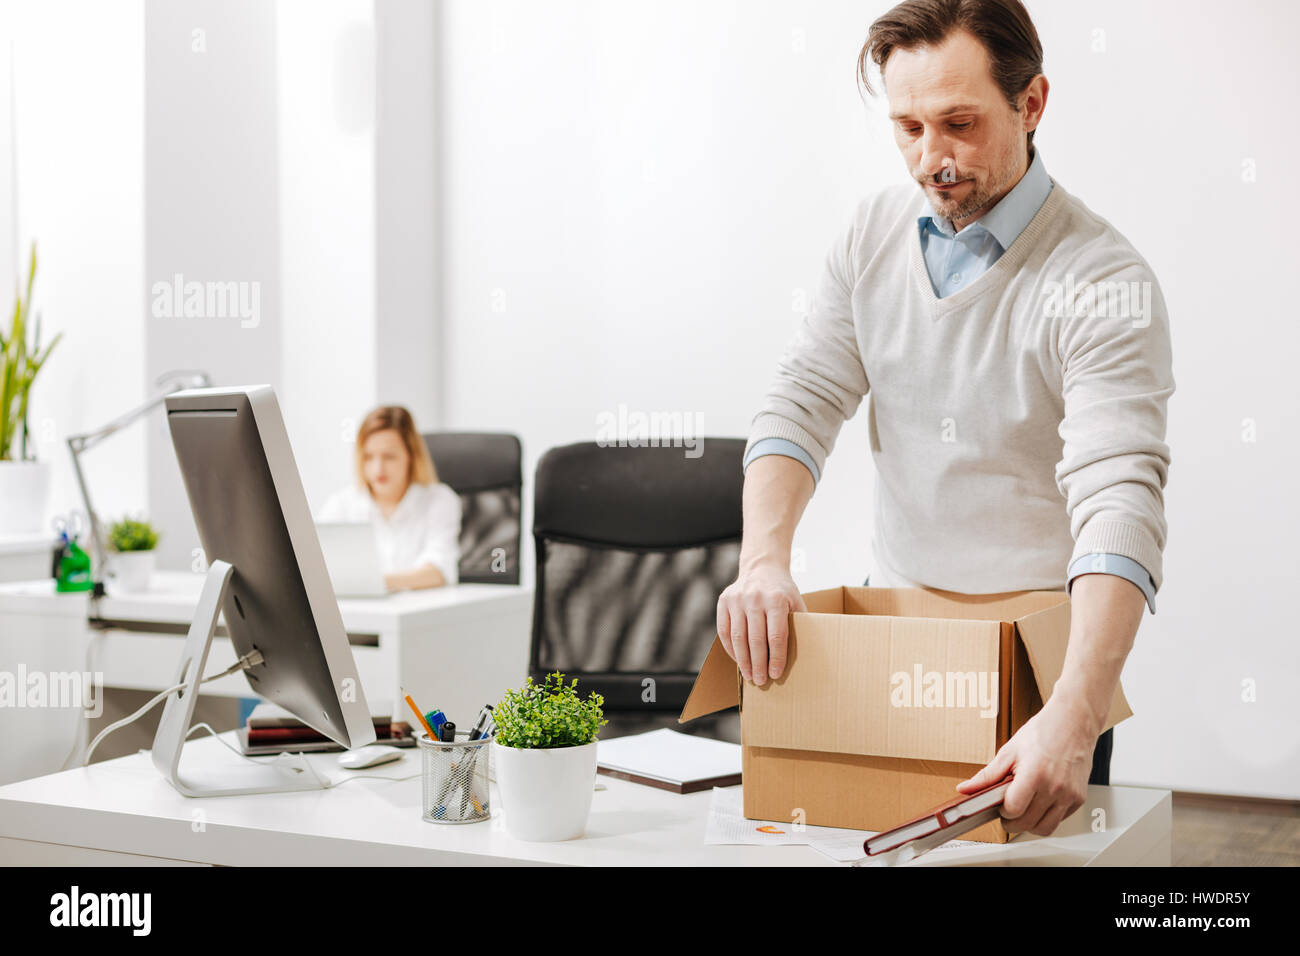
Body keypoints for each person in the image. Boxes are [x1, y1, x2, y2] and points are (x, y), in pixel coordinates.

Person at [717, 0, 1173, 838]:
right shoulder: (869, 236)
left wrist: (1077, 712)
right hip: (901, 642)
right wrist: (762, 562)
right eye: (908, 127)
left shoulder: (1103, 278)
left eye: (959, 124)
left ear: (1031, 104)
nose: (933, 159)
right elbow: (804, 396)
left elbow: (1120, 496)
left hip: (1045, 670)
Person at [318, 405, 461, 591]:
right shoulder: (342, 504)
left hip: (419, 615)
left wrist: (376, 584)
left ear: (411, 455)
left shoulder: (439, 500)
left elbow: (439, 570)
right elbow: (312, 559)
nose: (378, 469)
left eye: (389, 457)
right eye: (369, 457)